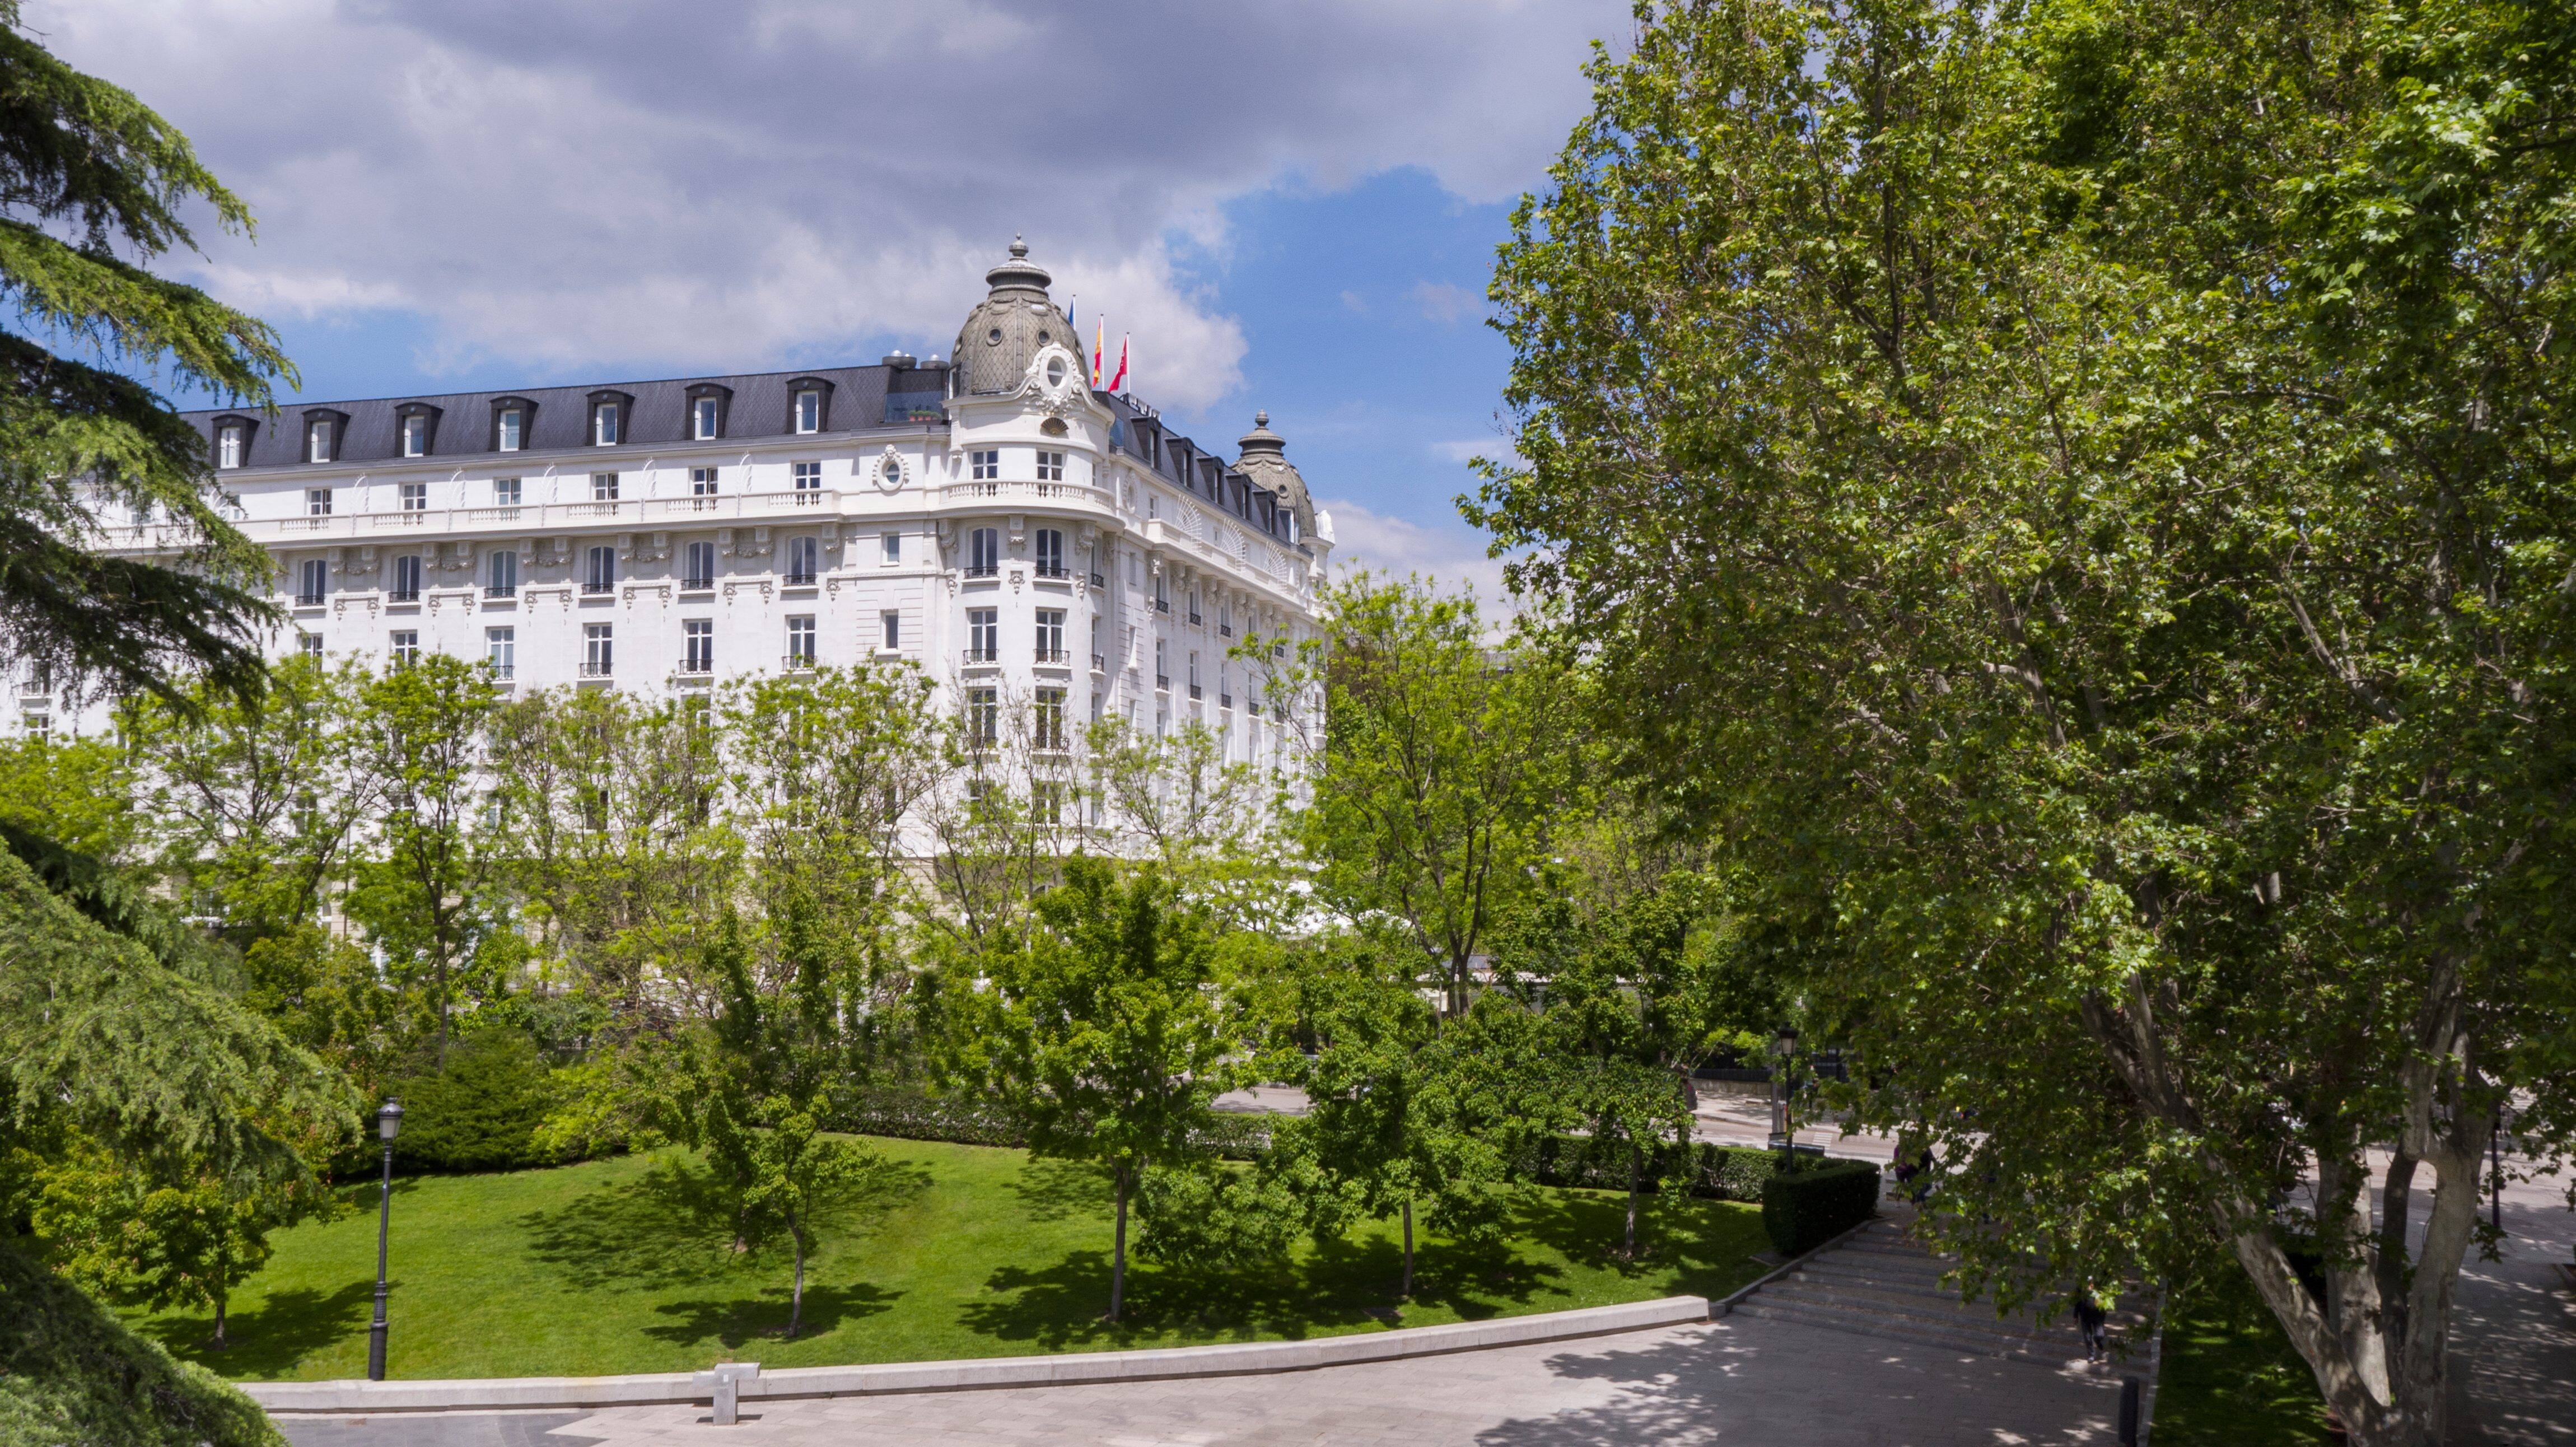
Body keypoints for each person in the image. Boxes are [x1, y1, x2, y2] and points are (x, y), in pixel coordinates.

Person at [2074, 1286, 2111, 1363]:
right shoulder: (2081, 1288)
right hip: (2085, 1316)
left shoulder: (2100, 1286)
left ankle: (2097, 1340)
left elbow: (2105, 1301)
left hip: (2097, 1315)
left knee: (2100, 1335)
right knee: (2087, 1337)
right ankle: (2092, 1355)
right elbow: (2077, 1302)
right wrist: (2076, 1316)